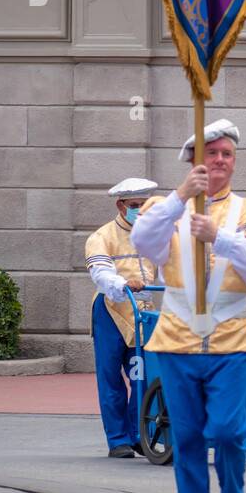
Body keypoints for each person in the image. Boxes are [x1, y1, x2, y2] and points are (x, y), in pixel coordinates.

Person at [131, 118, 246, 493]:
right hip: (178, 339)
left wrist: (220, 237)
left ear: (234, 162)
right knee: (186, 441)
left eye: (227, 154)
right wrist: (180, 196)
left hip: (231, 338)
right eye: (211, 153)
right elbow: (144, 243)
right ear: (194, 161)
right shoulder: (166, 209)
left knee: (227, 432)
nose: (220, 160)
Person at [84, 178, 159, 458]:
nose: (140, 210)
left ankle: (140, 434)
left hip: (143, 313)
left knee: (142, 377)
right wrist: (123, 283)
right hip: (111, 311)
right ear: (120, 205)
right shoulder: (101, 236)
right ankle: (118, 440)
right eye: (134, 206)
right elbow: (100, 273)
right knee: (111, 379)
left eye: (144, 205)